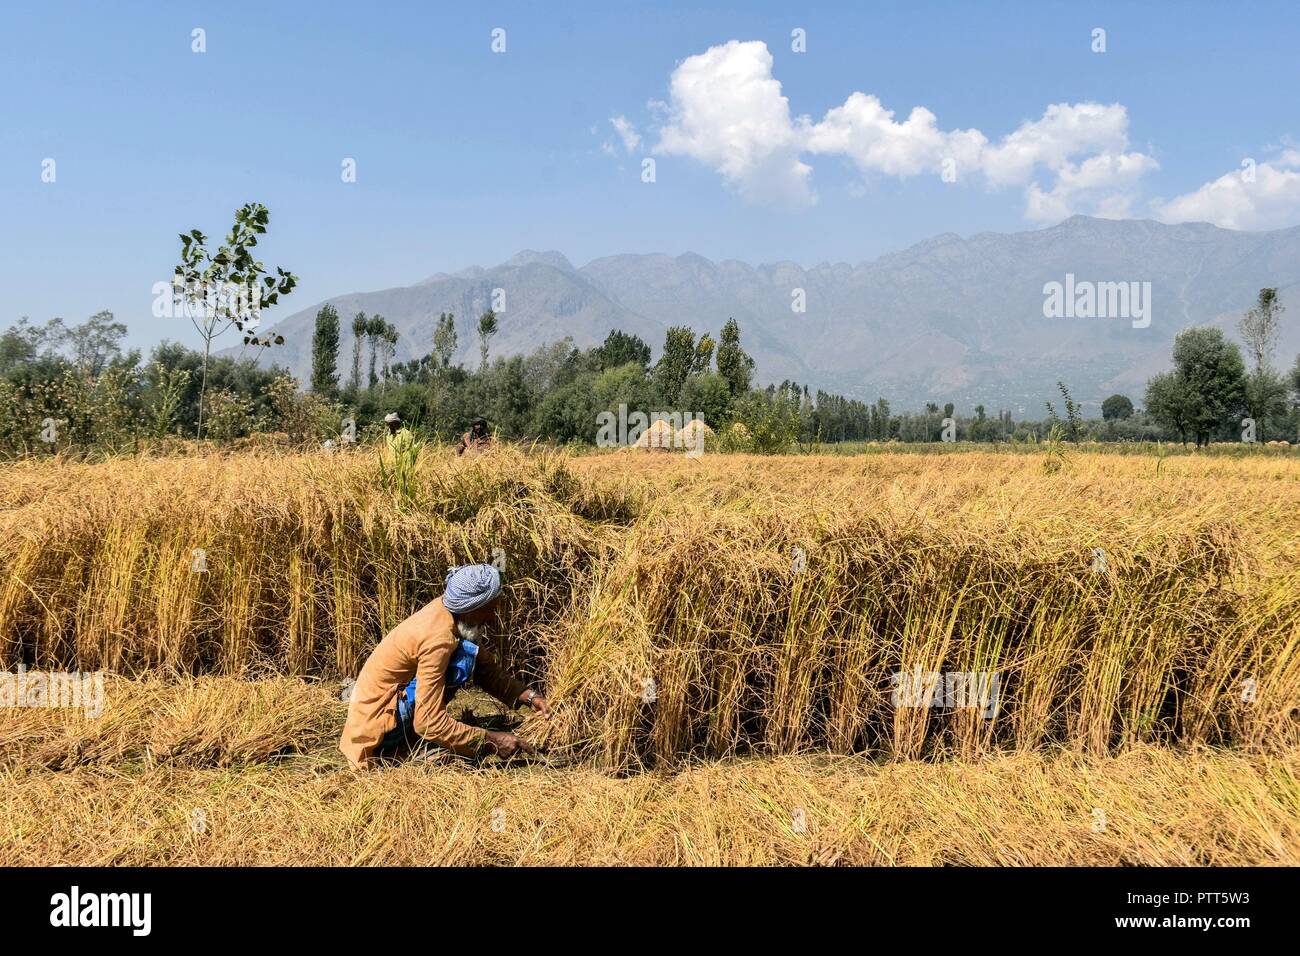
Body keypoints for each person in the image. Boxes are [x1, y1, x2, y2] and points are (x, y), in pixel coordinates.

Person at [339, 564, 547, 769]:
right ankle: (397, 751)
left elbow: (485, 670)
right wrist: (491, 740)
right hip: (375, 728)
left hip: (381, 713)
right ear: (472, 608)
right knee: (462, 662)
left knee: (467, 654)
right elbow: (428, 722)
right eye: (490, 609)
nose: (492, 617)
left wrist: (529, 697)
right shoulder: (438, 640)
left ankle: (409, 744)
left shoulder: (450, 612)